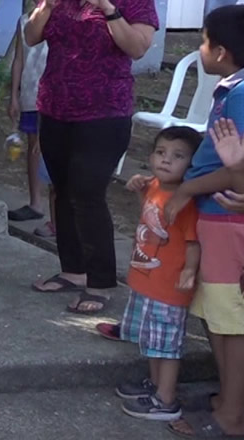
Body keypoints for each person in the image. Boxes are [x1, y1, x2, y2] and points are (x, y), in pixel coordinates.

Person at [28, 0, 159, 315]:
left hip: (105, 111)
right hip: (55, 106)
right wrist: (45, 6)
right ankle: (73, 271)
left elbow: (137, 47)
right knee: (63, 191)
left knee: (87, 192)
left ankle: (100, 281)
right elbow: (31, 37)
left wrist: (107, 7)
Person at [159, 5, 244, 438]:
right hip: (215, 215)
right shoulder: (231, 90)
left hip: (227, 217)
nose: (200, 48)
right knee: (216, 315)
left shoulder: (241, 95)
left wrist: (187, 189)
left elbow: (236, 169)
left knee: (230, 322)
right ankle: (228, 398)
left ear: (222, 51)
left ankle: (232, 413)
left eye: (205, 40)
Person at [95, 126, 203, 422]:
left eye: (178, 156)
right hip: (147, 282)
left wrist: (189, 270)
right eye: (161, 152)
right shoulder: (155, 185)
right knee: (153, 341)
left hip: (168, 287)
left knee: (166, 345)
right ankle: (155, 385)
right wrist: (141, 192)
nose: (166, 160)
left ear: (192, 165)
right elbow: (149, 219)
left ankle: (166, 399)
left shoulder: (186, 201)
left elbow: (193, 241)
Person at [6, 0, 58, 222]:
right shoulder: (25, 20)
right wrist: (14, 95)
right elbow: (19, 59)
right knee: (33, 147)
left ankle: (56, 211)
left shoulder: (64, 17)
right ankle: (35, 203)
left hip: (56, 95)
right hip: (30, 93)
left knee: (53, 149)